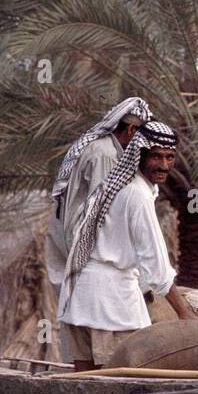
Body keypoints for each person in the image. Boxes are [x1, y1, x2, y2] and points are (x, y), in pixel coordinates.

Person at [57, 117, 194, 371]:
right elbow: (157, 267)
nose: (164, 165)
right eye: (156, 156)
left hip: (80, 296)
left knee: (84, 385)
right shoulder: (137, 195)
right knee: (117, 383)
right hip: (110, 305)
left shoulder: (116, 185)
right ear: (140, 154)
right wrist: (186, 316)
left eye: (169, 157)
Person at [46, 98, 150, 289]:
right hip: (81, 243)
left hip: (68, 235)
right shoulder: (106, 154)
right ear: (130, 131)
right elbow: (101, 210)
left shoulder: (103, 148)